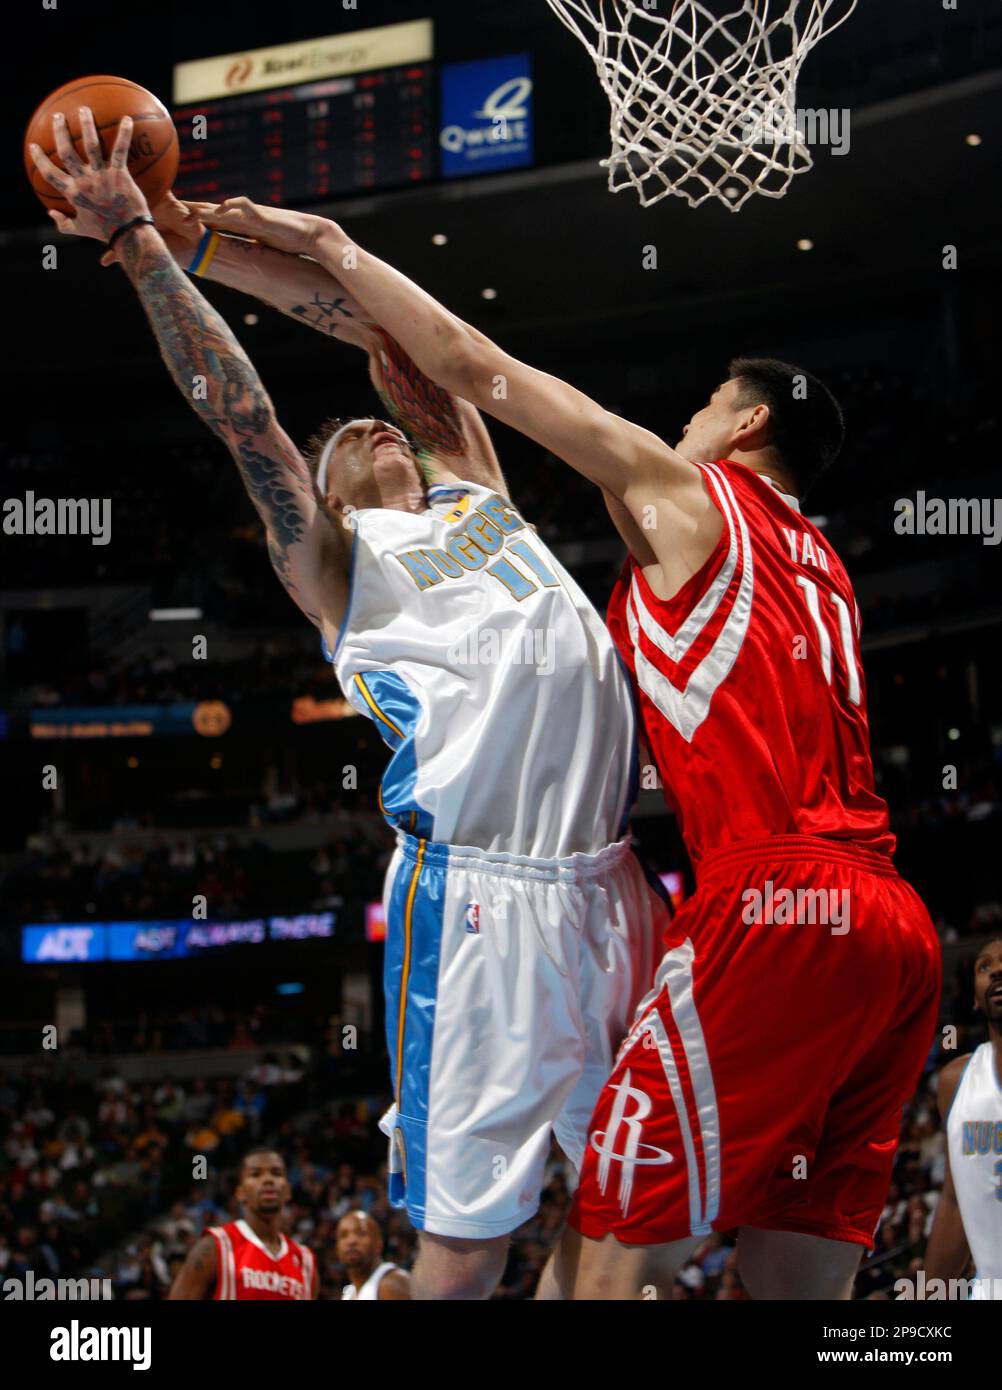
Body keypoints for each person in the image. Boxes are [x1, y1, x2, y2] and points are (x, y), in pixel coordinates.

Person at [186, 195, 943, 1300]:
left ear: (741, 429)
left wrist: (331, 247)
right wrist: (195, 247)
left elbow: (460, 360)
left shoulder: (683, 494)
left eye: (700, 406)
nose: (679, 422)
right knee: (792, 1283)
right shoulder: (822, 568)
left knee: (612, 1259)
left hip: (758, 902)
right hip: (894, 927)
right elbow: (379, 368)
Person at [32, 111, 663, 1301]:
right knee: (468, 1241)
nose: (364, 429)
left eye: (377, 425)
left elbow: (395, 335)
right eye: (339, 447)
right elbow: (245, 415)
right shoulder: (334, 559)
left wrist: (214, 236)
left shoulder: (479, 488)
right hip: (480, 901)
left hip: (612, 877)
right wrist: (140, 254)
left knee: (620, 1196)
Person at [921, 936, 1002, 1300]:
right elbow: (955, 1202)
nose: (997, 970)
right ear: (973, 996)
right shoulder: (956, 1082)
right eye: (984, 966)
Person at [167, 1148, 316, 1300]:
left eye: (276, 1173)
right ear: (240, 1193)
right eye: (256, 1174)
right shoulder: (215, 1247)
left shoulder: (305, 1262)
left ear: (288, 1191)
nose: (268, 1180)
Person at [337, 1211, 410, 1300]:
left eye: (361, 1233)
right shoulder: (349, 1294)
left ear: (378, 1244)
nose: (351, 1241)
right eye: (343, 1235)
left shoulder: (392, 1283)